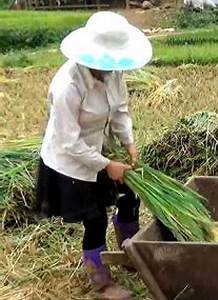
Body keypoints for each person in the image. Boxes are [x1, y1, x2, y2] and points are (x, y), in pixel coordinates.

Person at [35, 11, 152, 300]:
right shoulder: (68, 86)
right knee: (95, 218)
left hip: (100, 147)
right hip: (70, 161)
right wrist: (107, 164)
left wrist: (129, 143)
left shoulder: (114, 71)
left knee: (129, 195)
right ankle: (100, 281)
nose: (110, 67)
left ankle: (129, 252)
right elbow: (68, 142)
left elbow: (121, 109)